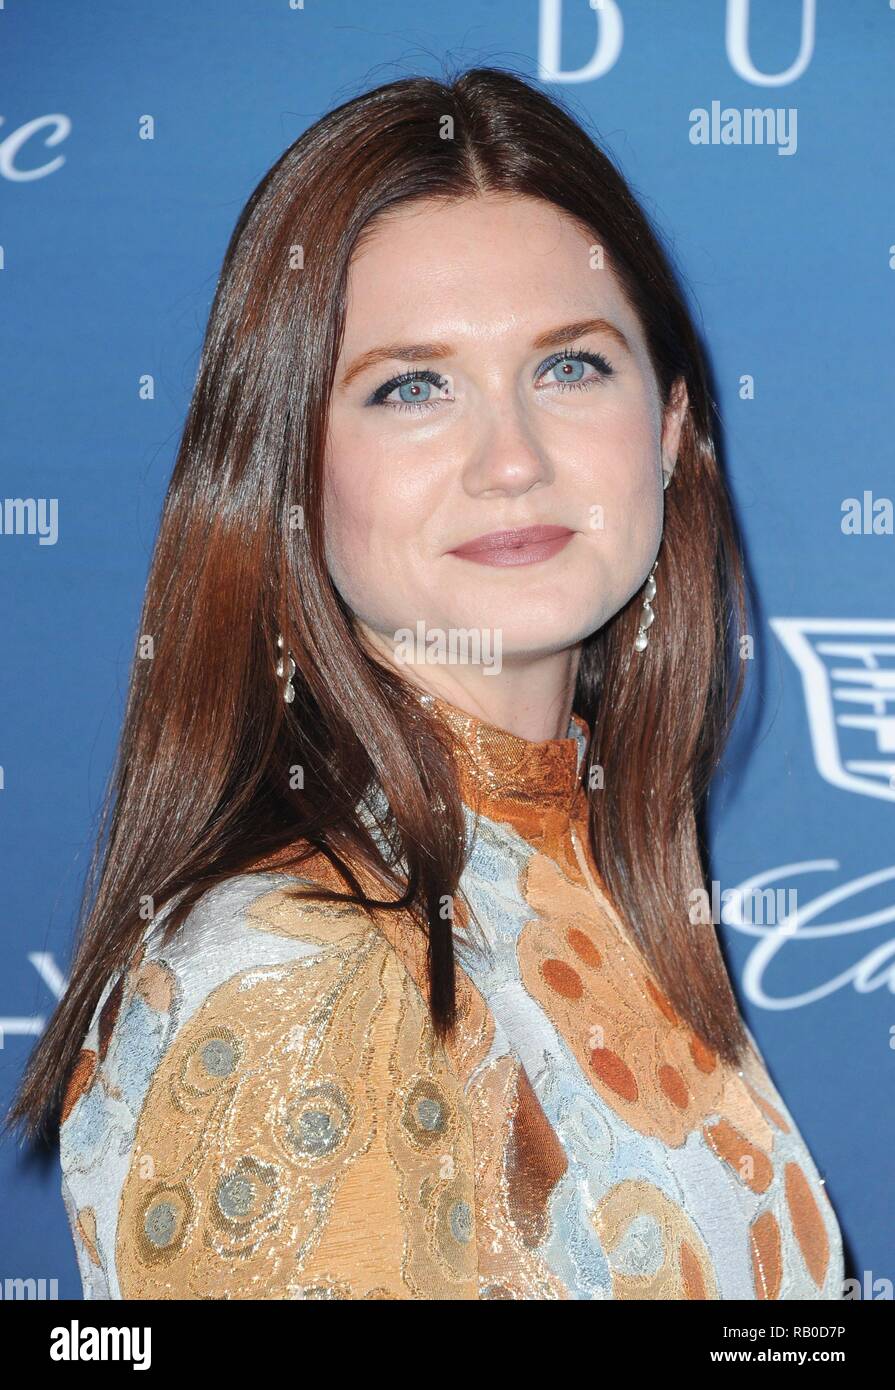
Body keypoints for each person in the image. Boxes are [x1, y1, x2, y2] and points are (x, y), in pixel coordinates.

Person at [5, 65, 844, 1300]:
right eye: (412, 387)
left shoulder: (589, 873)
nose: (511, 458)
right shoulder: (304, 977)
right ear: (287, 475)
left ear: (668, 431)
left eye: (570, 367)